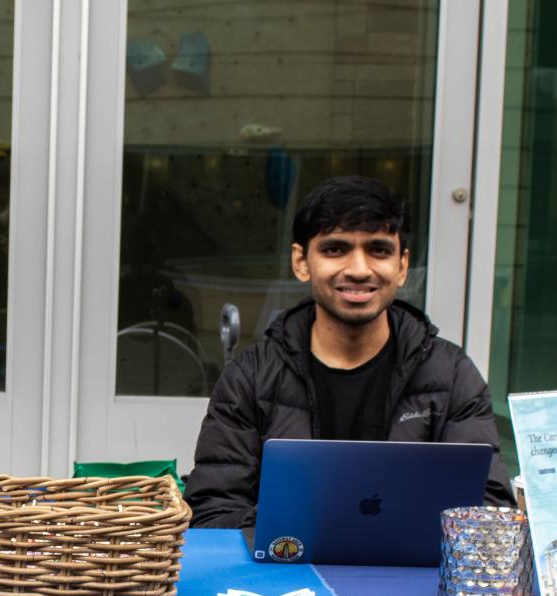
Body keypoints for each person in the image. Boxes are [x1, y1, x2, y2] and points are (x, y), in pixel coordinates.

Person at [184, 175, 514, 528]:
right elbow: (213, 510)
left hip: (412, 578)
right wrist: (301, 533)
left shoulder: (451, 375)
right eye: (335, 249)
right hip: (287, 576)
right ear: (301, 261)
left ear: (402, 265)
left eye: (378, 250)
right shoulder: (251, 377)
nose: (358, 269)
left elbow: (489, 510)